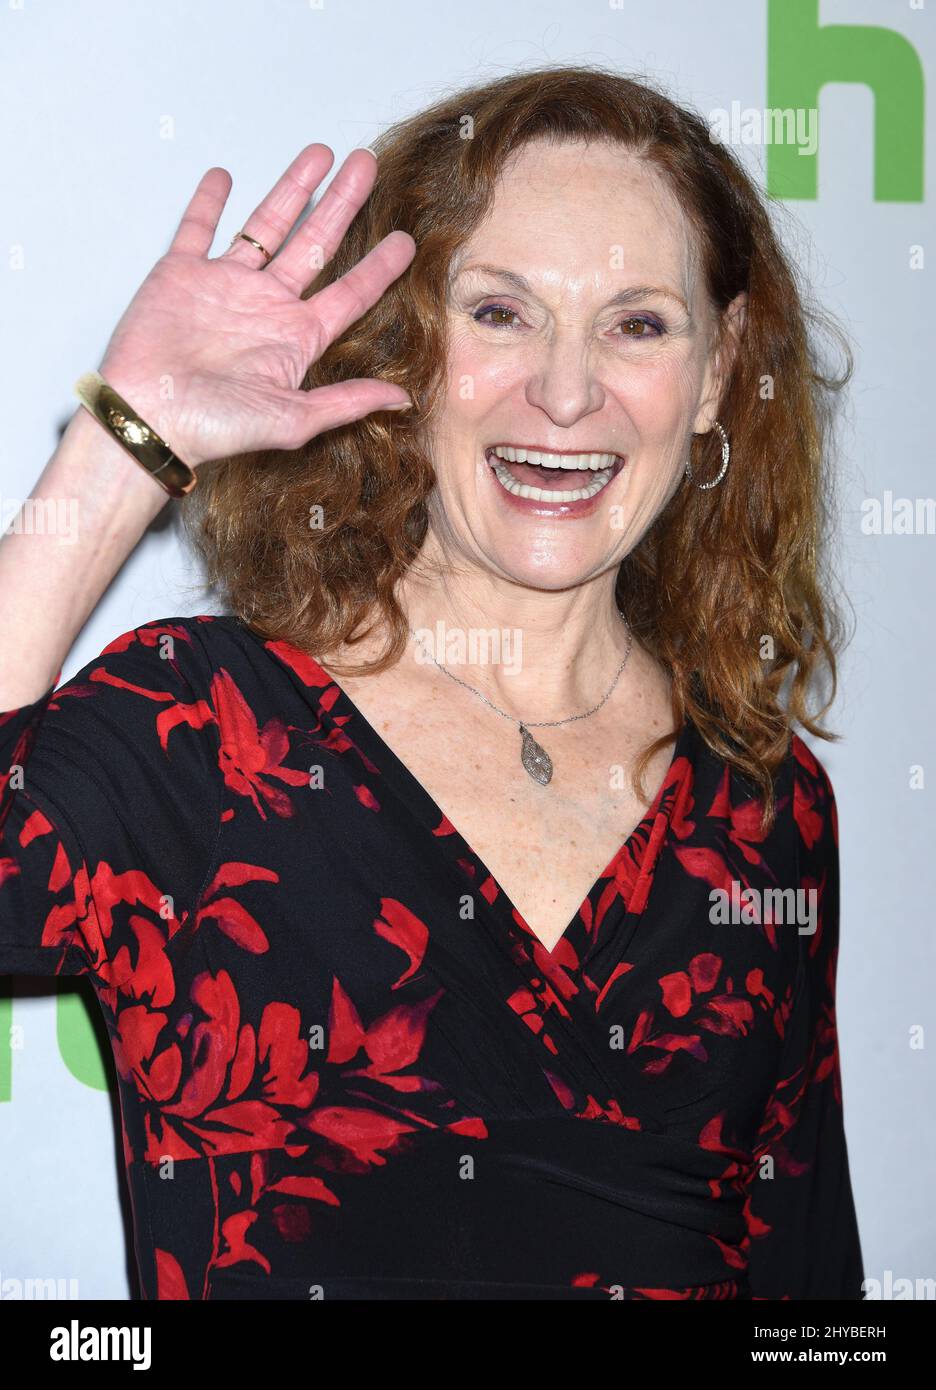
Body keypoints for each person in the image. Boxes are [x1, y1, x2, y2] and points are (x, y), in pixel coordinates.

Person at [0, 64, 863, 1300]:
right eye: (500, 314)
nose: (566, 394)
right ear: (408, 344)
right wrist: (127, 436)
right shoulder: (202, 735)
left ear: (720, 370)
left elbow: (807, 1285)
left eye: (638, 324)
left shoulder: (765, 817)